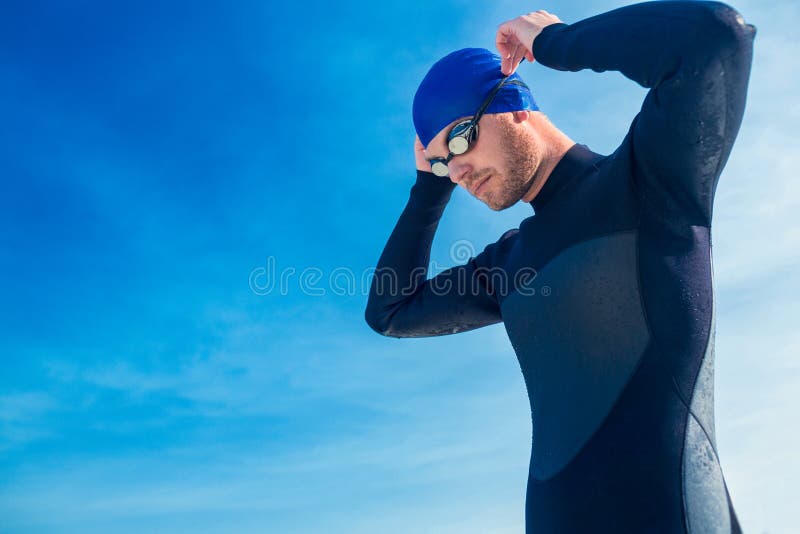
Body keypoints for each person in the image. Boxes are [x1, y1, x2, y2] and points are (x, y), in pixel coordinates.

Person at [364, 1, 755, 532]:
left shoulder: (649, 181)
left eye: (460, 140)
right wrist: (428, 187)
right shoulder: (509, 264)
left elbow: (713, 38)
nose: (457, 170)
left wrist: (554, 42)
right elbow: (391, 311)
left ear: (513, 104)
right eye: (442, 162)